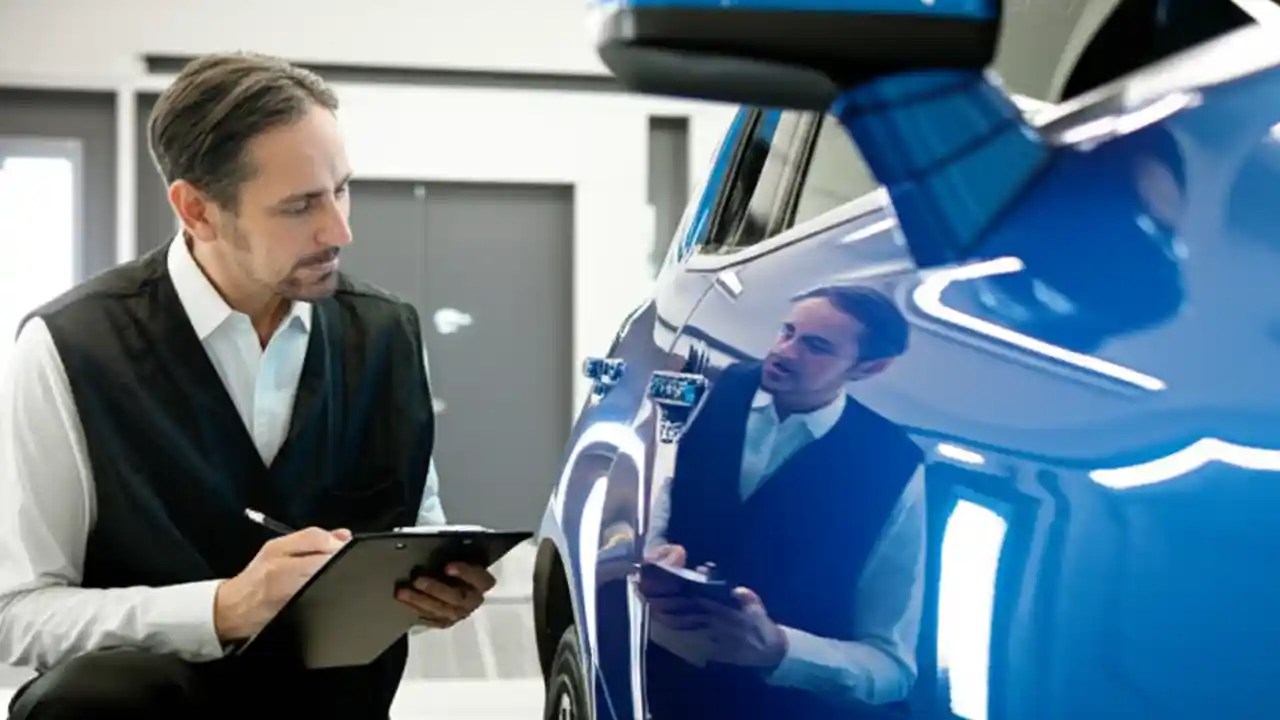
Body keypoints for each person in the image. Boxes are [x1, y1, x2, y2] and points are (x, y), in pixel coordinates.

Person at [0, 52, 494, 719]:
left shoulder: (388, 335)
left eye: (341, 189)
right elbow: (16, 613)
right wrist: (221, 608)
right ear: (197, 210)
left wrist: (433, 596)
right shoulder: (67, 348)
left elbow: (418, 536)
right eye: (300, 205)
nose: (340, 230)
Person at [640, 284, 926, 719]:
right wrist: (650, 559)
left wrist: (781, 650)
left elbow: (892, 668)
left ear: (870, 367)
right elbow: (658, 492)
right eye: (787, 331)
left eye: (816, 346)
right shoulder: (713, 389)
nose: (783, 352)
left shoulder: (892, 465)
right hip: (651, 678)